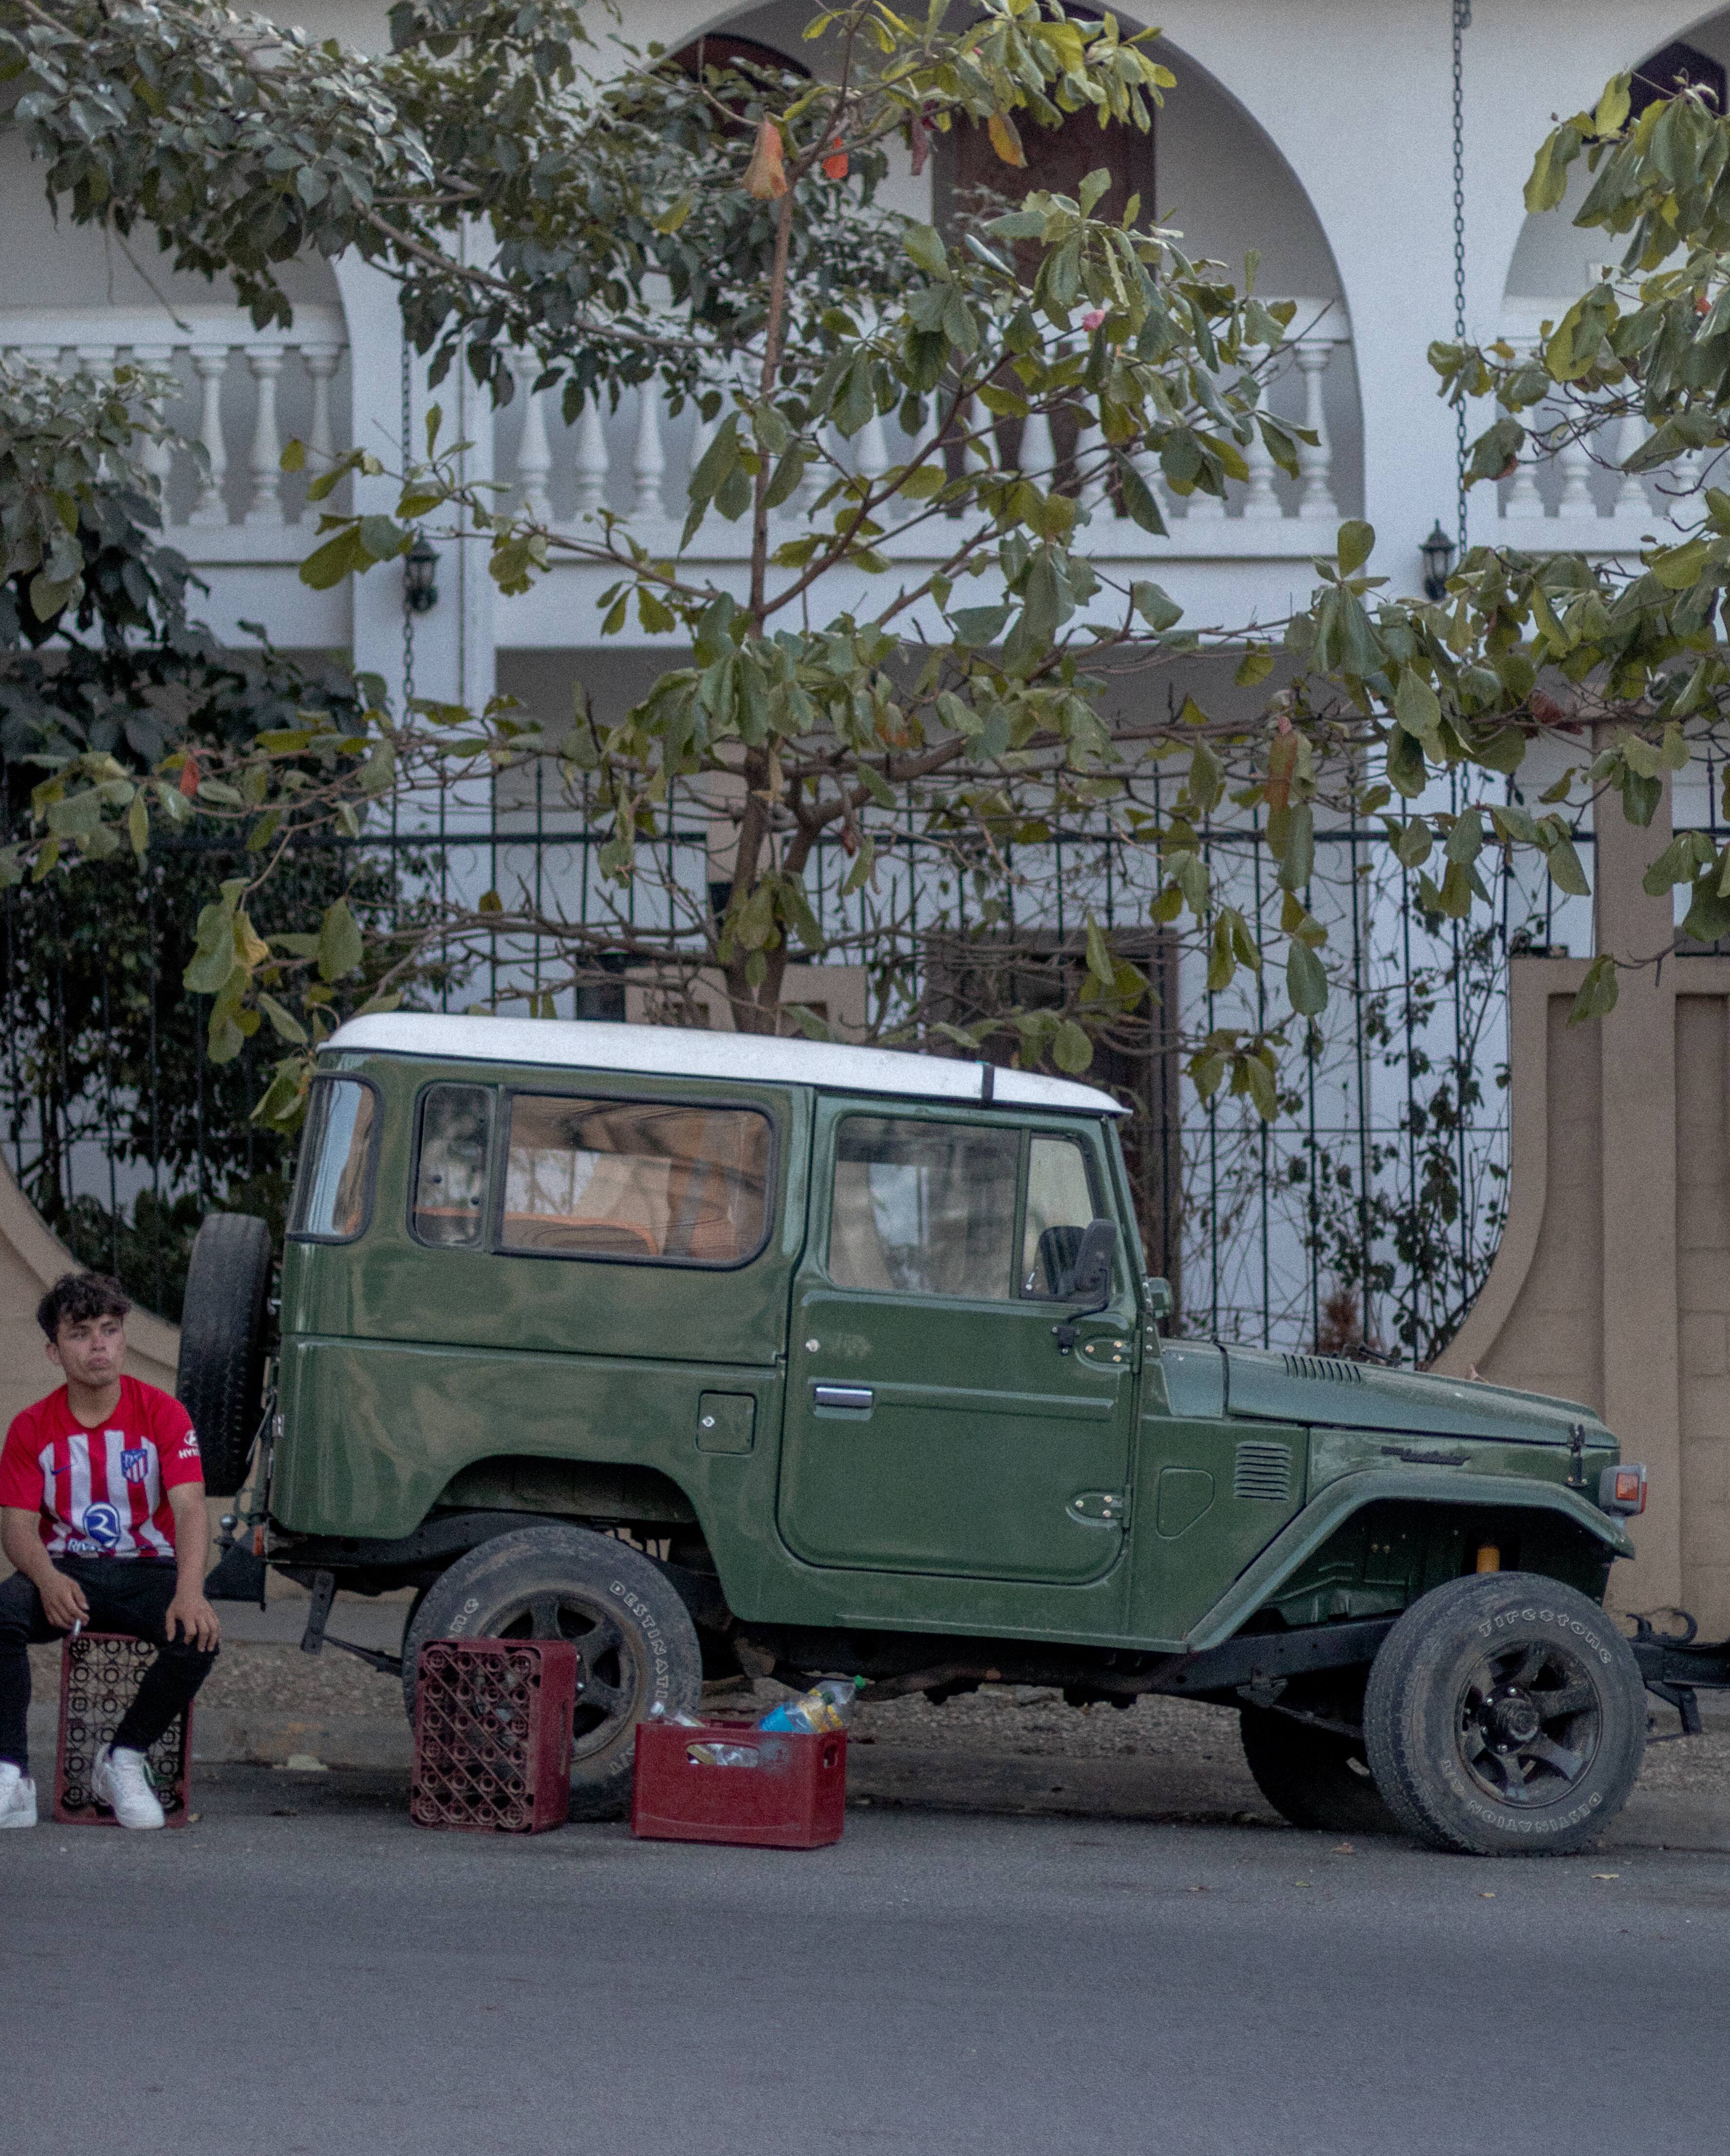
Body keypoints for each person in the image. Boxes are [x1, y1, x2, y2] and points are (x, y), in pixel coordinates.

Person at [0, 1271, 220, 1829]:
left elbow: (192, 1508)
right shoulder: (31, 1428)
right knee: (2, 1613)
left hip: (148, 1569)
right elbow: (18, 1529)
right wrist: (47, 1578)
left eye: (109, 1329)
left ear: (123, 1339)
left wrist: (191, 1591)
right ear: (54, 1350)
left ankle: (122, 1758)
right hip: (69, 1574)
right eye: (80, 1333)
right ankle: (12, 1775)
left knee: (198, 1633)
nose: (98, 1344)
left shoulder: (164, 1414)